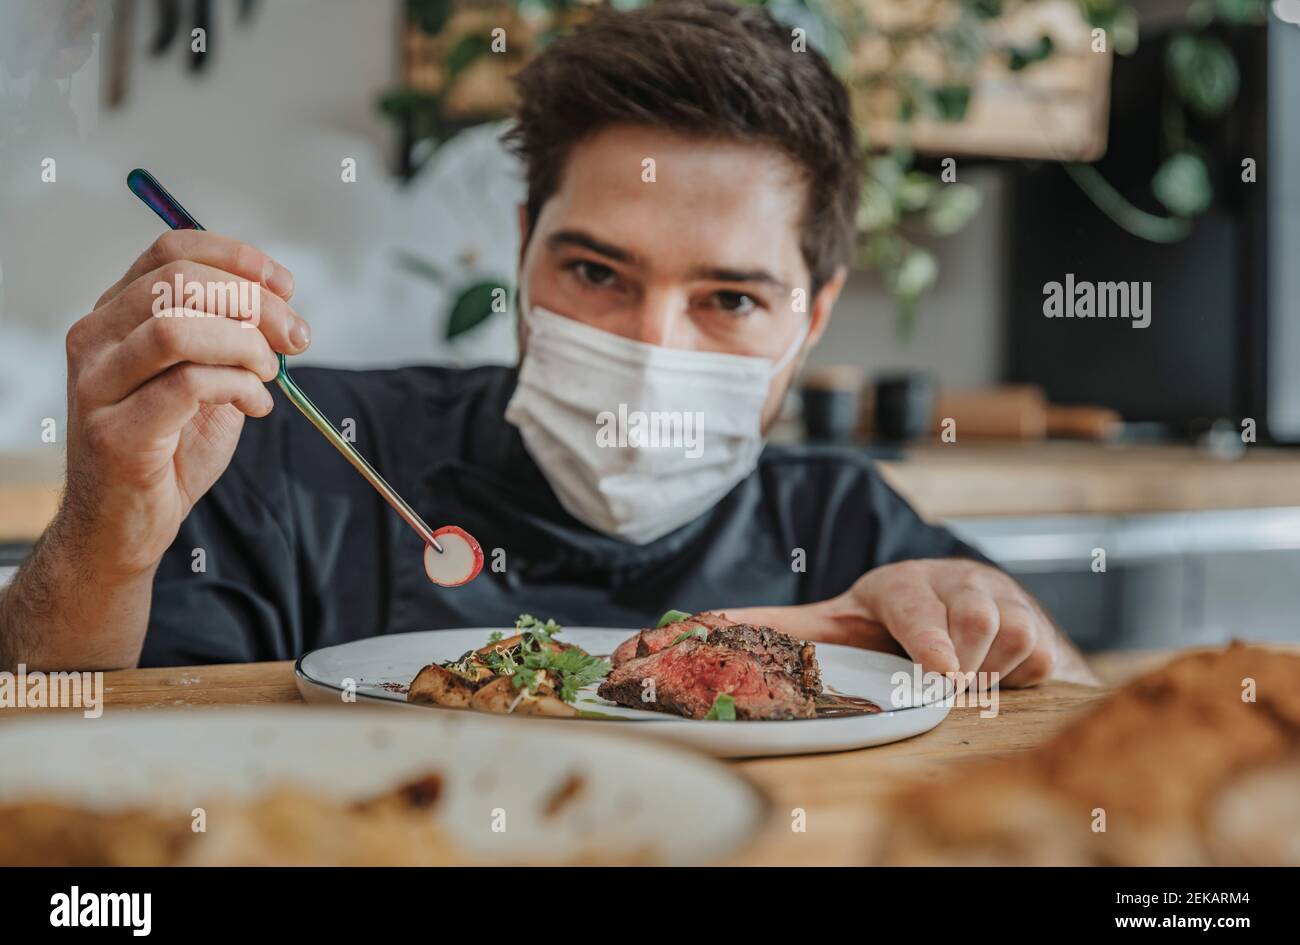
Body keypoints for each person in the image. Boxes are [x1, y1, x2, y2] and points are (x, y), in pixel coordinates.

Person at [0, 0, 1093, 685]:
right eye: (596, 272)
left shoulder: (848, 524)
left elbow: (1065, 733)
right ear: (523, 253)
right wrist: (106, 535)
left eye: (729, 299)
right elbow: (61, 763)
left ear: (811, 318)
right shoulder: (281, 444)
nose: (649, 345)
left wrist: (1011, 642)